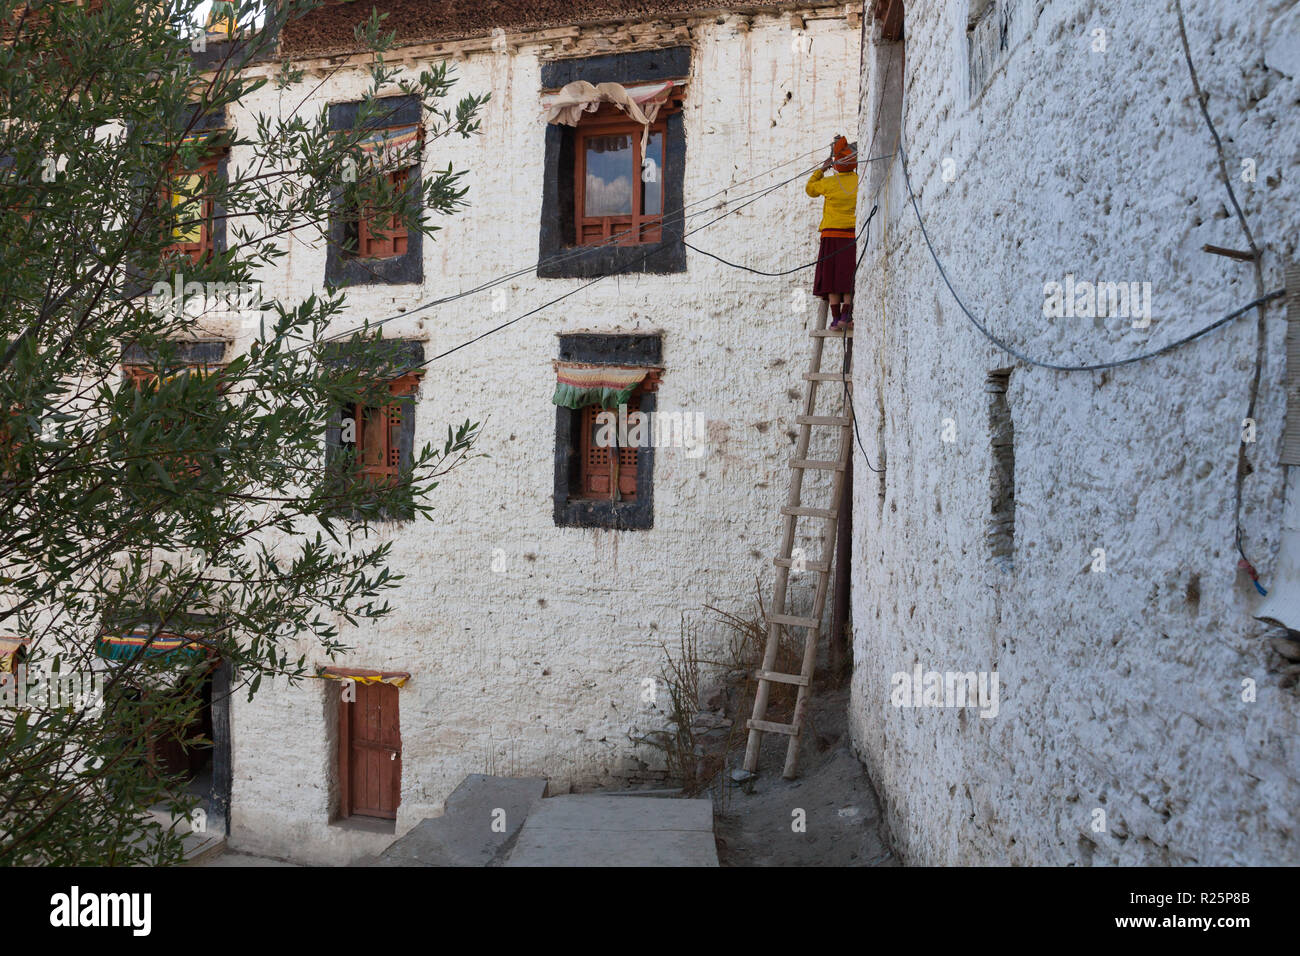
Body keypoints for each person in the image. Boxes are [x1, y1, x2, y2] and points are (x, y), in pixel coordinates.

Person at [806, 136, 858, 329]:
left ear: (836, 164)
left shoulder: (828, 183)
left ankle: (835, 320)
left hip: (830, 237)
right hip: (850, 236)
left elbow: (810, 189)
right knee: (846, 276)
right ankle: (846, 317)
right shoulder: (859, 181)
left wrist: (822, 169)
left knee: (833, 278)